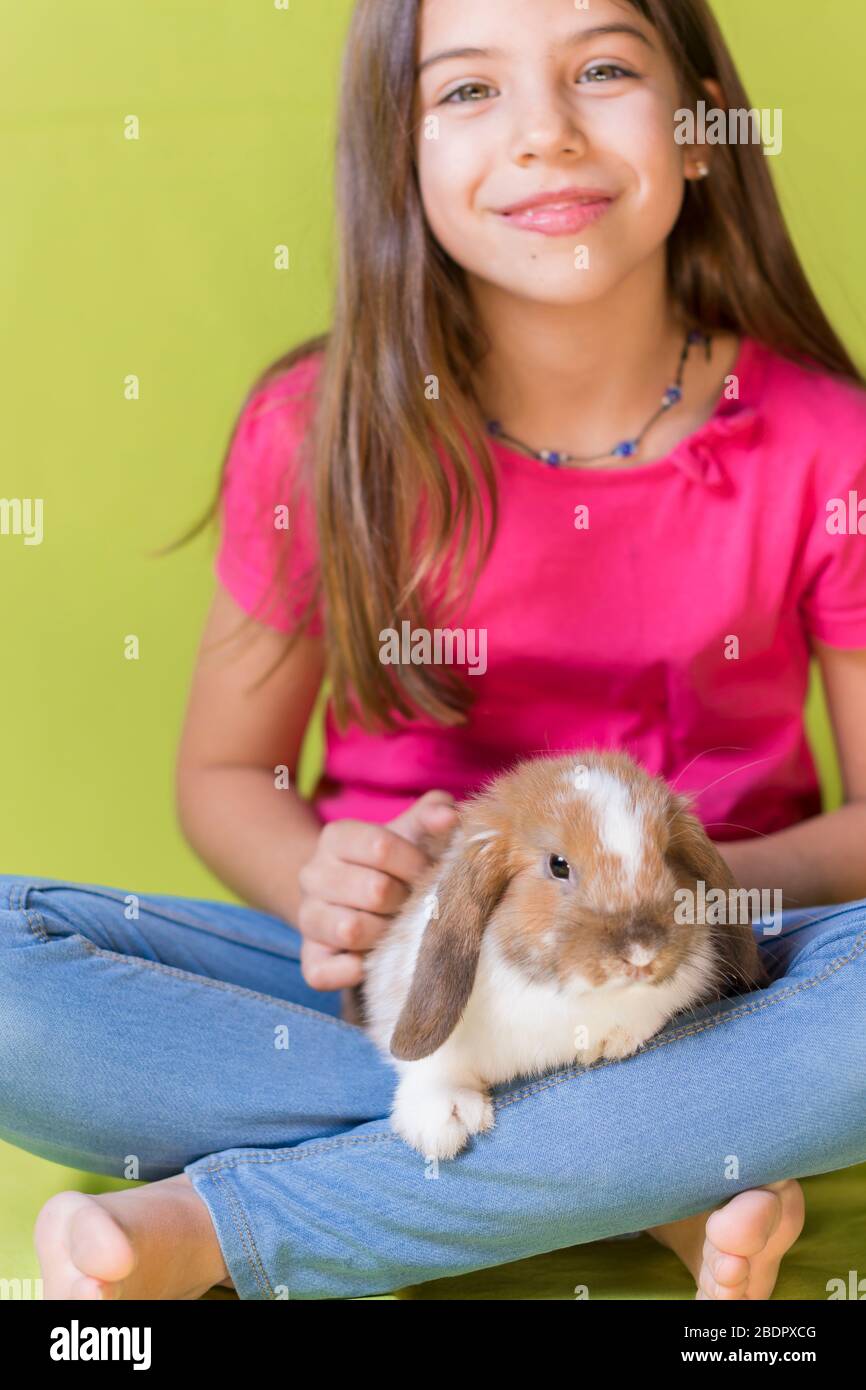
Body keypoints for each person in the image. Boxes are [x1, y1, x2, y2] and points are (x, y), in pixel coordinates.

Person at [6, 0, 866, 1300]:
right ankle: (652, 1160)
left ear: (698, 128)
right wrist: (321, 886)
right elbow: (225, 775)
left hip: (720, 969)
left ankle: (230, 1226)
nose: (544, 133)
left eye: (604, 69)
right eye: (468, 92)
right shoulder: (319, 430)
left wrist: (676, 899)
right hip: (405, 987)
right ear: (396, 157)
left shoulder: (827, 443)